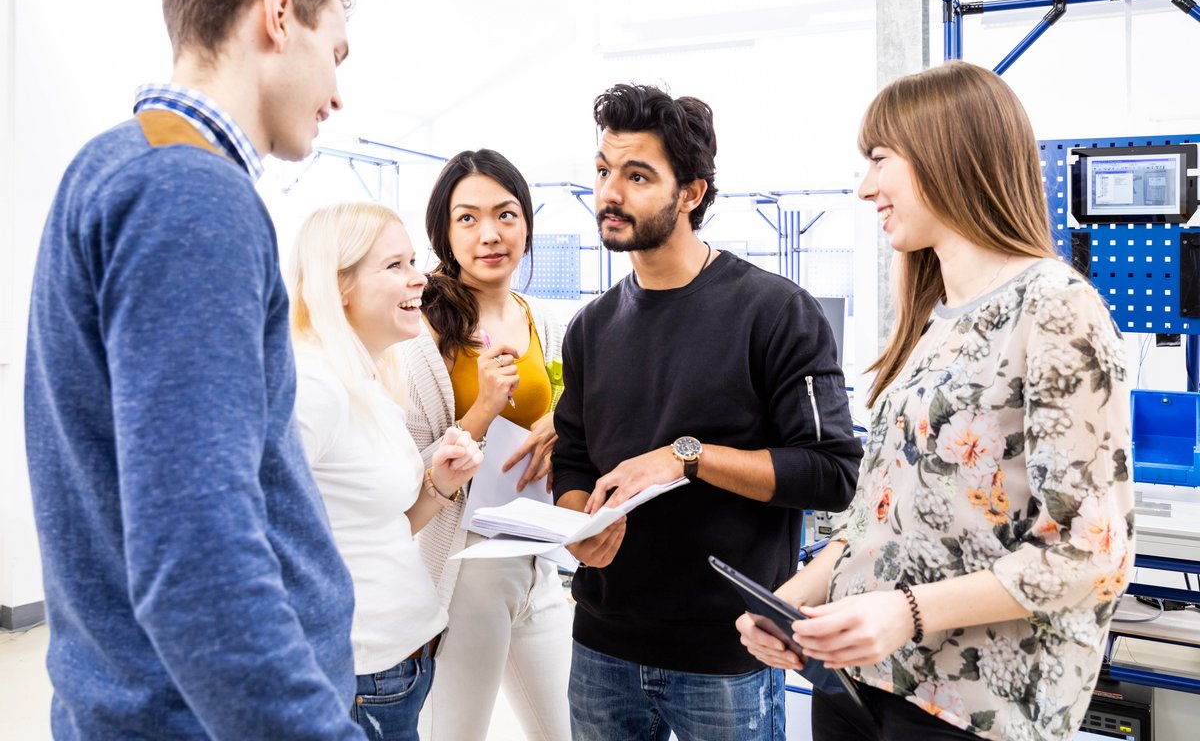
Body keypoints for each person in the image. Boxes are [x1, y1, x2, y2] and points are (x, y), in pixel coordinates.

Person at [23, 0, 364, 737]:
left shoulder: (118, 164)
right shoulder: (188, 193)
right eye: (335, 53)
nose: (337, 94)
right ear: (278, 16)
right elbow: (198, 559)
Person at [736, 61, 1134, 741]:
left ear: (947, 155)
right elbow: (877, 519)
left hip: (972, 711)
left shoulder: (1056, 309)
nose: (866, 188)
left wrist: (908, 611)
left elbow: (1092, 554)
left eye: (880, 160)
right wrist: (792, 603)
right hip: (868, 685)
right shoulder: (935, 321)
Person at [551, 83, 864, 741]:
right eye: (604, 171)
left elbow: (832, 472)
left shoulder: (775, 312)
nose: (611, 193)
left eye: (638, 175)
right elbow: (575, 455)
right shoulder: (588, 329)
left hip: (725, 658)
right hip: (601, 646)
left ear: (691, 192)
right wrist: (576, 521)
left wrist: (688, 459)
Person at [288, 203, 483, 740]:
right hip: (354, 673)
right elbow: (245, 531)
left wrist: (441, 482)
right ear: (340, 285)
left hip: (398, 664)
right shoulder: (313, 384)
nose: (419, 277)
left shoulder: (367, 378)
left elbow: (381, 527)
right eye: (395, 264)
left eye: (414, 261)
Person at [401, 149, 572, 741]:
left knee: (566, 732)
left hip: (538, 561)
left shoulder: (542, 320)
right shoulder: (420, 329)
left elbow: (550, 429)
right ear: (445, 233)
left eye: (505, 214)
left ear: (526, 222)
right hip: (464, 566)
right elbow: (403, 470)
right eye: (467, 218)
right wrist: (479, 412)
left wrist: (565, 428)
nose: (490, 234)